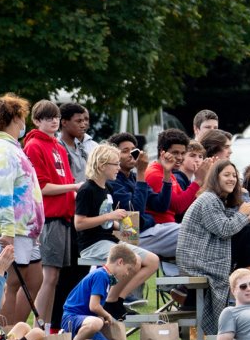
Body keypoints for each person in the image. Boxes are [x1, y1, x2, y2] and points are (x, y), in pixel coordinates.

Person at [0, 94, 45, 328]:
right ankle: (2, 334)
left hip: (25, 228)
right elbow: (1, 192)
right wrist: (7, 230)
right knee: (14, 281)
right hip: (10, 227)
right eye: (22, 117)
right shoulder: (1, 150)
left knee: (35, 278)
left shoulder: (10, 147)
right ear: (15, 117)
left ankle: (17, 330)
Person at [176, 160, 250, 337]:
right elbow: (224, 230)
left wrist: (249, 216)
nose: (232, 179)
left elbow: (228, 221)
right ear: (215, 178)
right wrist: (243, 214)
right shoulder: (208, 199)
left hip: (208, 254)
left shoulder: (217, 200)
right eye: (226, 175)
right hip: (198, 260)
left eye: (234, 175)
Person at [74, 146, 161, 319]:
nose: (118, 168)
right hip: (92, 245)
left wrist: (121, 227)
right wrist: (110, 216)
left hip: (109, 241)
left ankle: (117, 300)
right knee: (133, 260)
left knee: (153, 261)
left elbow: (106, 221)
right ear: (102, 165)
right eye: (115, 164)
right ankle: (112, 301)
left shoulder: (108, 189)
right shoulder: (86, 190)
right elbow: (79, 223)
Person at [25, 99, 80, 331]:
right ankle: (38, 329)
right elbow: (41, 187)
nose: (54, 121)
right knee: (48, 278)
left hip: (65, 217)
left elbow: (66, 181)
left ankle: (48, 327)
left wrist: (75, 191)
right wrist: (74, 187)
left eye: (56, 117)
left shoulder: (58, 147)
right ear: (36, 121)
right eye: (48, 118)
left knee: (57, 278)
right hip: (48, 219)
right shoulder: (34, 146)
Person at [107, 132, 179, 260]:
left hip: (148, 231)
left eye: (133, 150)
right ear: (113, 155)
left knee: (188, 229)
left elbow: (161, 206)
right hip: (129, 237)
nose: (131, 154)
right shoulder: (113, 180)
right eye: (125, 151)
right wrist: (141, 172)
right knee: (185, 232)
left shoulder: (134, 178)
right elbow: (134, 216)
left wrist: (167, 173)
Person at [60, 243, 139, 340]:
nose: (127, 273)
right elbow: (94, 306)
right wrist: (107, 315)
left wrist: (102, 317)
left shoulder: (105, 276)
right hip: (72, 319)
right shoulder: (101, 275)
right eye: (128, 269)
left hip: (83, 320)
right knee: (96, 323)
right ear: (120, 262)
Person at [145, 129, 208, 225]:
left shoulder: (167, 171)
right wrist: (198, 180)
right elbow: (178, 207)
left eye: (183, 153)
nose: (180, 157)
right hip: (159, 227)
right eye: (175, 152)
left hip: (168, 226)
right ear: (163, 152)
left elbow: (185, 203)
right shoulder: (155, 174)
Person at [58, 102, 98, 184]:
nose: (83, 125)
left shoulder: (81, 148)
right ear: (64, 122)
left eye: (84, 121)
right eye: (79, 121)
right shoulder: (56, 148)